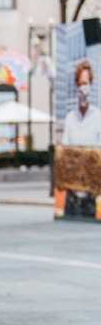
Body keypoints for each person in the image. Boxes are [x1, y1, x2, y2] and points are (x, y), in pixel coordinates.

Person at [59, 60, 101, 218]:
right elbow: (65, 153)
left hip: (90, 194)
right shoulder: (70, 118)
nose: (84, 88)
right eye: (81, 83)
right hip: (72, 195)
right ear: (76, 86)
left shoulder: (98, 118)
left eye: (87, 83)